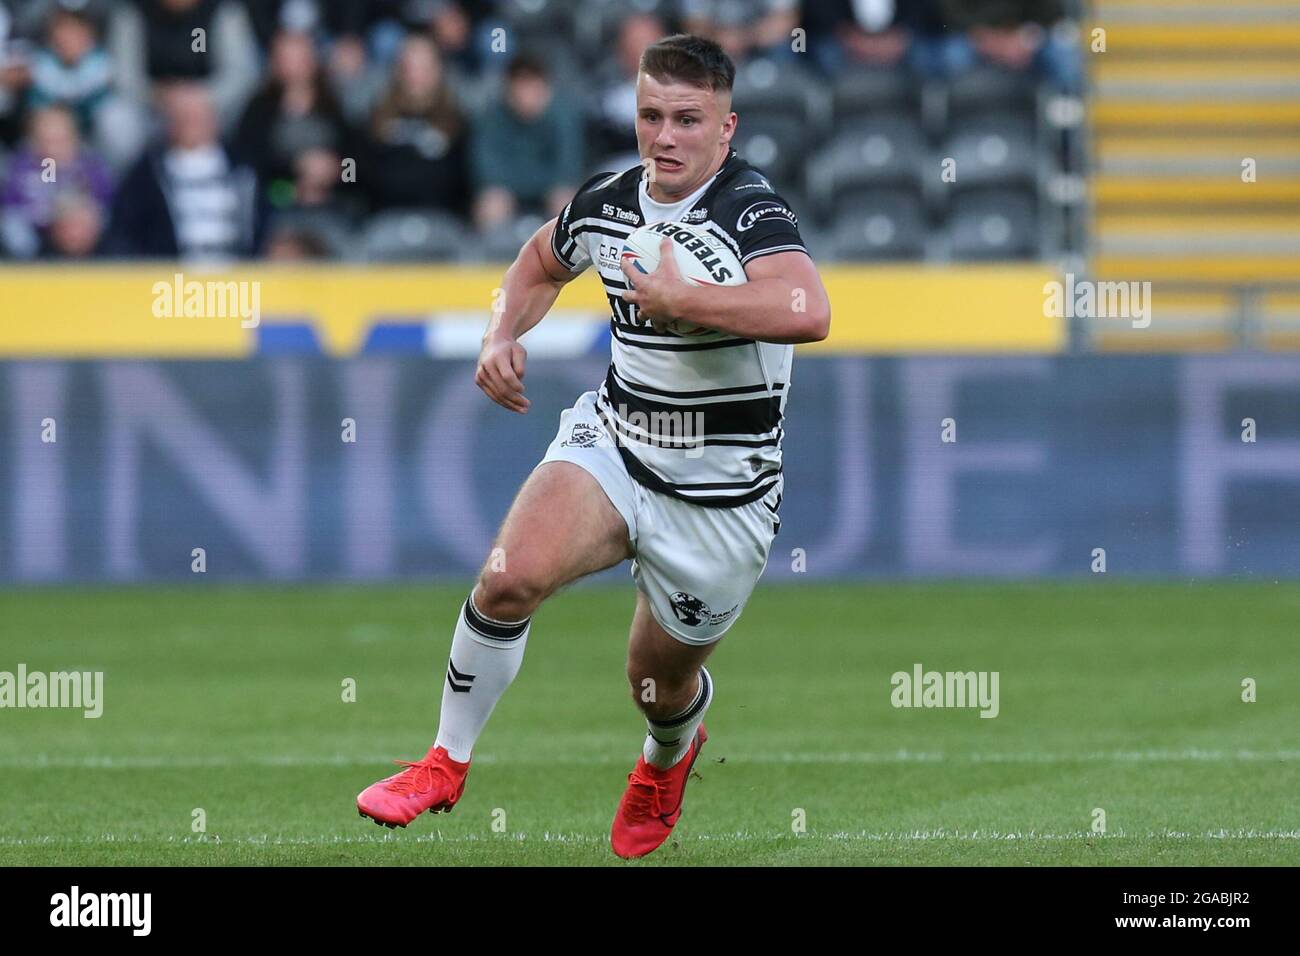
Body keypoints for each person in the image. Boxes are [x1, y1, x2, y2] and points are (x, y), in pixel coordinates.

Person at [356, 34, 831, 860]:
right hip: (616, 441)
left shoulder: (752, 210)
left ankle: (666, 757)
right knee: (509, 579)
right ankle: (443, 761)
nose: (667, 136)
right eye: (653, 115)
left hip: (721, 498)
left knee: (658, 684)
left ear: (726, 130)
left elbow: (808, 309)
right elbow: (539, 262)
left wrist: (690, 298)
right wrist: (499, 333)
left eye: (689, 119)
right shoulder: (610, 200)